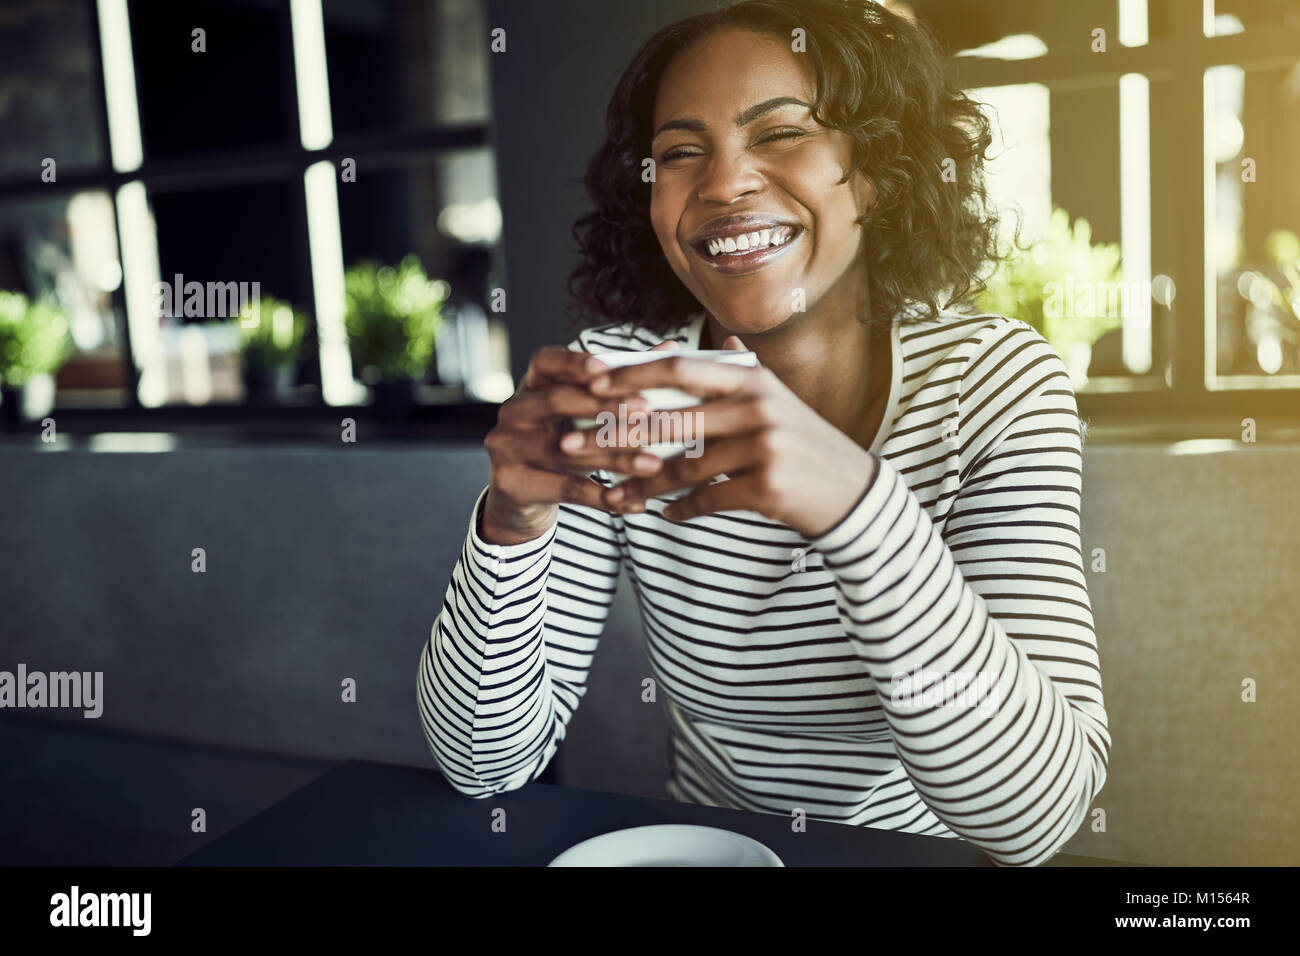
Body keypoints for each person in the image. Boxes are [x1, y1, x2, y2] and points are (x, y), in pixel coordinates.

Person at [418, 0, 1109, 867]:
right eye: (680, 152)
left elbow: (1034, 824)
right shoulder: (621, 384)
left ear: (880, 171)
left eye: (780, 133)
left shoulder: (991, 384)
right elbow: (484, 767)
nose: (722, 182)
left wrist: (855, 507)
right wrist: (508, 528)